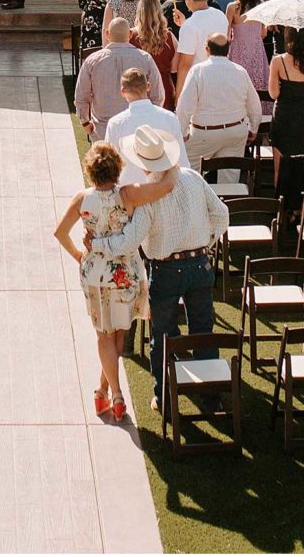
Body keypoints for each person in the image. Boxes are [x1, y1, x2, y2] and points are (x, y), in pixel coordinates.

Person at [89, 125, 230, 410]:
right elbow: (222, 214)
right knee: (203, 329)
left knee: (163, 335)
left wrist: (98, 244)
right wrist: (207, 240)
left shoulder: (147, 196)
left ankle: (164, 397)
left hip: (166, 270)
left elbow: (129, 241)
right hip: (200, 264)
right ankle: (210, 395)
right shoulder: (193, 178)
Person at [53, 140, 178, 421]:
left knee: (103, 334)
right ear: (117, 168)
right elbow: (167, 186)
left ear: (91, 171)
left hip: (96, 274)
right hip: (126, 273)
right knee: (119, 333)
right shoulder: (128, 195)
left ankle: (115, 394)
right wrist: (172, 160)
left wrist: (79, 257)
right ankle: (102, 391)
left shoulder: (81, 198)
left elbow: (60, 233)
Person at [179, 33, 263, 177]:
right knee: (230, 177)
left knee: (189, 173)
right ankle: (228, 198)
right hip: (235, 130)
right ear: (228, 49)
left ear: (207, 49)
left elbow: (184, 107)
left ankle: (195, 197)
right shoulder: (240, 71)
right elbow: (255, 106)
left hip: (205, 133)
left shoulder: (198, 71)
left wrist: (183, 132)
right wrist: (253, 129)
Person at [75, 18, 166, 139]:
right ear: (130, 34)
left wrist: (85, 121)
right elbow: (158, 95)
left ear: (107, 34)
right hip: (137, 129)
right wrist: (149, 118)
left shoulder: (92, 60)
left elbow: (81, 95)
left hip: (103, 129)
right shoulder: (145, 59)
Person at [266, 26, 304, 200]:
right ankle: (298, 208)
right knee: (300, 165)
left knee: (279, 167)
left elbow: (273, 94)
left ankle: (280, 208)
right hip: (303, 118)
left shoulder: (278, 61)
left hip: (283, 116)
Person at [104, 68, 184, 184]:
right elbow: (182, 161)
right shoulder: (169, 117)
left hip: (130, 192)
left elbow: (109, 166)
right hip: (163, 190)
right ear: (148, 86)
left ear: (123, 91)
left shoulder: (116, 123)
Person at [173, 0, 228, 98]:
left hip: (199, 83)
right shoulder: (221, 15)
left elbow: (185, 65)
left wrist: (179, 96)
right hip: (221, 77)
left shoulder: (190, 25)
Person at [224, 0, 269, 107]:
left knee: (238, 87)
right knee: (258, 85)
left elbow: (226, 35)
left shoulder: (232, 7)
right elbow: (263, 33)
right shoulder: (261, 6)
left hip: (238, 50)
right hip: (257, 50)